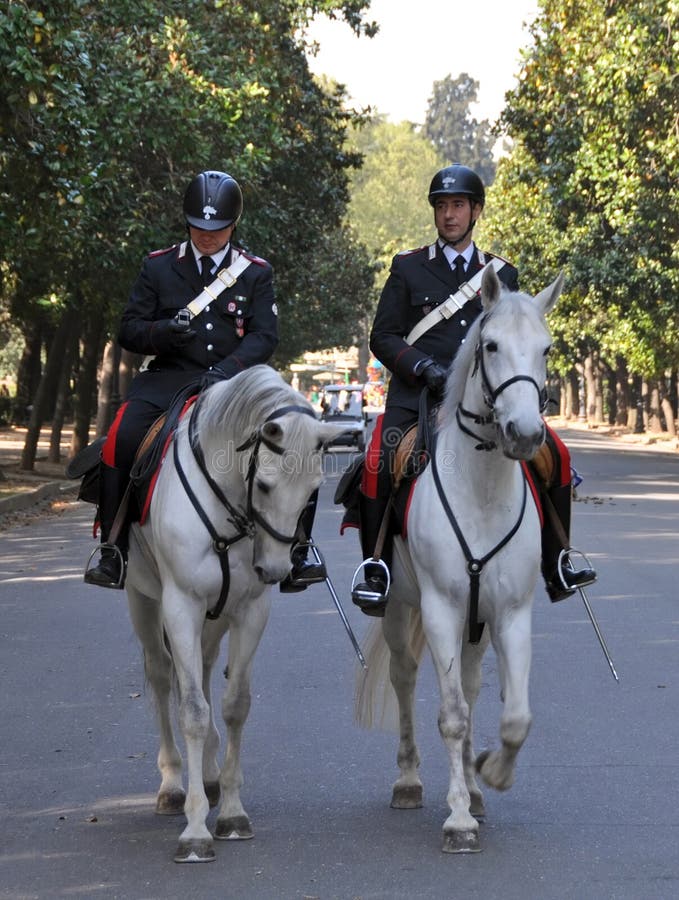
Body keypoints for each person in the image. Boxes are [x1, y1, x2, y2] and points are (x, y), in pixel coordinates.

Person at [351, 163, 596, 615]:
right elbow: (382, 337)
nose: (449, 215)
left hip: (489, 399)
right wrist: (422, 367)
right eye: (442, 206)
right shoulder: (407, 268)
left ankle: (557, 560)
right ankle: (376, 568)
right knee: (378, 459)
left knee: (555, 455)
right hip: (421, 396)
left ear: (476, 211)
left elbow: (522, 339)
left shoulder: (503, 273)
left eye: (458, 206)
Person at [84, 169, 325, 591]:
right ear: (187, 221)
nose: (207, 235)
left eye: (216, 228)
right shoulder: (159, 267)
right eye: (198, 227)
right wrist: (161, 333)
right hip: (169, 379)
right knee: (121, 438)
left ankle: (300, 548)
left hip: (236, 385)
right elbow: (129, 328)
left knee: (298, 440)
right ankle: (112, 547)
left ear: (233, 224)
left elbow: (264, 336)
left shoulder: (254, 272)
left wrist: (226, 373)